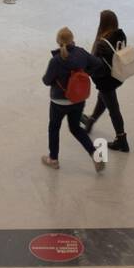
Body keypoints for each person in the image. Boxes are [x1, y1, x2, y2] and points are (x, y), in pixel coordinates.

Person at [41, 27, 104, 171]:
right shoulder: (81, 53)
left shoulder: (56, 60)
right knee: (75, 128)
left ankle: (53, 159)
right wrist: (84, 73)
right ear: (72, 39)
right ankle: (95, 155)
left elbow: (46, 81)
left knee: (54, 128)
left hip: (58, 102)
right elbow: (98, 64)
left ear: (58, 41)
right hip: (78, 100)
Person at [81, 10, 130, 152]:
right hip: (117, 76)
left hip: (106, 80)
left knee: (113, 108)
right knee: (103, 98)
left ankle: (121, 139)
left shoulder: (102, 43)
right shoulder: (120, 35)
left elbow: (95, 64)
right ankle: (91, 121)